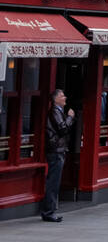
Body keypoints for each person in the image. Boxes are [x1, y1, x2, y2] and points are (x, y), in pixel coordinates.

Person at [40, 87, 75, 222]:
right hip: (55, 151)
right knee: (53, 182)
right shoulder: (55, 112)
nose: (65, 97)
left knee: (54, 181)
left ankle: (50, 210)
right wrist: (70, 117)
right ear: (55, 99)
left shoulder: (58, 112)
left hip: (58, 150)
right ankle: (49, 212)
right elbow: (63, 129)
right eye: (62, 96)